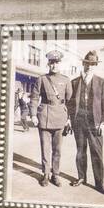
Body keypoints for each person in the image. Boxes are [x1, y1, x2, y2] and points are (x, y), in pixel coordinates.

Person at [66, 49, 104, 196]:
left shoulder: (101, 82)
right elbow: (70, 104)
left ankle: (99, 184)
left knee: (97, 153)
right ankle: (81, 178)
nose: (89, 66)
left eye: (92, 64)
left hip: (95, 124)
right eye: (87, 63)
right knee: (80, 152)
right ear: (83, 63)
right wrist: (68, 120)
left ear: (95, 65)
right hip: (78, 122)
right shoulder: (75, 82)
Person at [30, 49, 71, 187]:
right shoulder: (41, 79)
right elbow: (34, 98)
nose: (54, 65)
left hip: (60, 117)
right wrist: (33, 114)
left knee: (57, 149)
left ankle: (56, 175)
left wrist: (69, 118)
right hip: (44, 117)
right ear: (48, 64)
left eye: (57, 62)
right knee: (45, 148)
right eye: (52, 63)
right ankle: (46, 174)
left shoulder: (66, 80)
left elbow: (70, 101)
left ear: (60, 64)